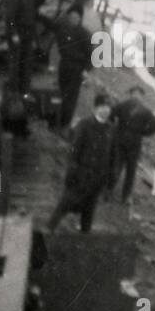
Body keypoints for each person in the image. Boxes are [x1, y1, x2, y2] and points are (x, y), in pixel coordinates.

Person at [47, 93, 116, 234]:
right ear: (95, 108)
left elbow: (113, 157)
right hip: (80, 176)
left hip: (97, 180)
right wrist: (72, 172)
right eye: (102, 106)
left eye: (108, 107)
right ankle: (48, 230)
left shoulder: (111, 129)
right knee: (64, 205)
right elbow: (74, 150)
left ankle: (84, 238)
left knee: (89, 212)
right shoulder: (84, 124)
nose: (106, 110)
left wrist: (109, 180)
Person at [110, 85, 155, 203]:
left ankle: (109, 190)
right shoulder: (145, 110)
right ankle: (126, 196)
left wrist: (116, 127)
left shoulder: (123, 104)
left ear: (132, 93)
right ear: (141, 95)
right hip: (135, 143)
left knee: (116, 165)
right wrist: (144, 132)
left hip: (120, 139)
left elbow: (111, 115)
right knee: (131, 170)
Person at [51, 7, 95, 129]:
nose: (73, 19)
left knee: (71, 97)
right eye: (71, 17)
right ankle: (56, 121)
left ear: (80, 18)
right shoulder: (64, 30)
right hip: (64, 64)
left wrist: (86, 70)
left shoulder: (85, 34)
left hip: (77, 68)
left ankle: (65, 123)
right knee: (60, 92)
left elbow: (91, 55)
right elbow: (51, 25)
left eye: (75, 17)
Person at [4, 0, 43, 93]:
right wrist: (14, 33)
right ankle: (13, 90)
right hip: (17, 32)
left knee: (27, 62)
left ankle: (24, 90)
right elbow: (9, 18)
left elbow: (33, 10)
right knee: (15, 63)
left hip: (28, 32)